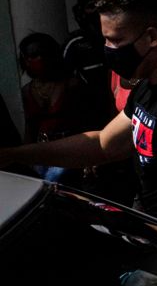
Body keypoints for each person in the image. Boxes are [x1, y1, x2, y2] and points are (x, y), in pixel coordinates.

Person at [0, 0, 157, 243]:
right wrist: (13, 156)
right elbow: (104, 144)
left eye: (115, 40)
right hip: (156, 237)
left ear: (152, 37)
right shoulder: (148, 86)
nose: (108, 50)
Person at [17, 32, 99, 184]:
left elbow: (86, 121)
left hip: (68, 149)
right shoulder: (27, 91)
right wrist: (24, 156)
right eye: (27, 56)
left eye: (36, 54)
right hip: (41, 151)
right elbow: (31, 125)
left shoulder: (71, 84)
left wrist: (90, 157)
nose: (31, 60)